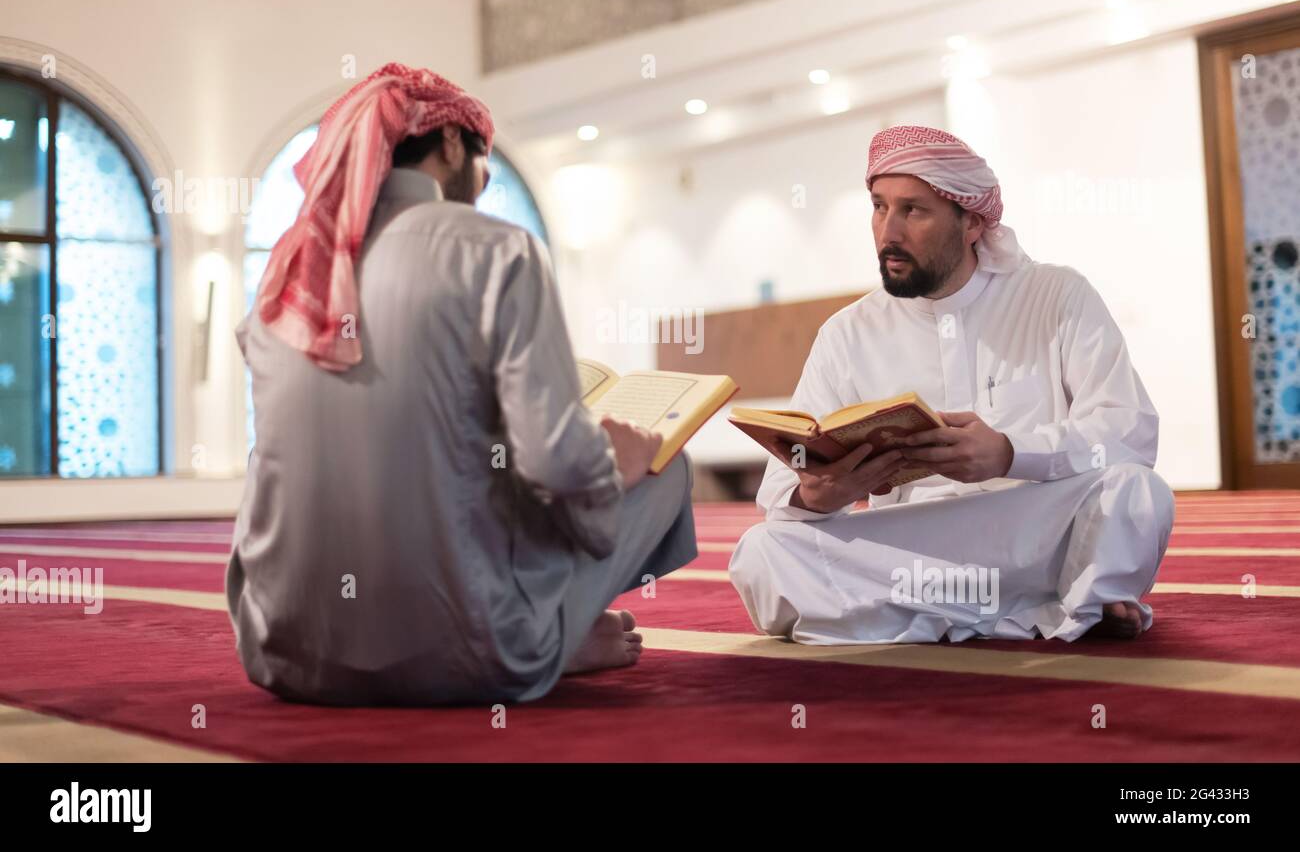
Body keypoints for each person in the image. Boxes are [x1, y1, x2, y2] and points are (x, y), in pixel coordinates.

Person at [227, 63, 696, 705]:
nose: (486, 180)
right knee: (665, 466)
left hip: (281, 650)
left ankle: (557, 630)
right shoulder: (498, 250)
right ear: (451, 143)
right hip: (467, 656)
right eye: (486, 160)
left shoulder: (289, 276)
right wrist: (622, 457)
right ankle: (552, 634)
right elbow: (558, 464)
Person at [729, 124, 1174, 644]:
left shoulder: (1056, 295)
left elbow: (1129, 431)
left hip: (1028, 531)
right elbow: (779, 496)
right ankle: (1061, 603)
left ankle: (913, 617)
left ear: (970, 222)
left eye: (912, 210)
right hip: (908, 549)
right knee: (763, 552)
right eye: (878, 207)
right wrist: (818, 494)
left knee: (1138, 494)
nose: (888, 231)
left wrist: (1009, 453)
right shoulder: (847, 334)